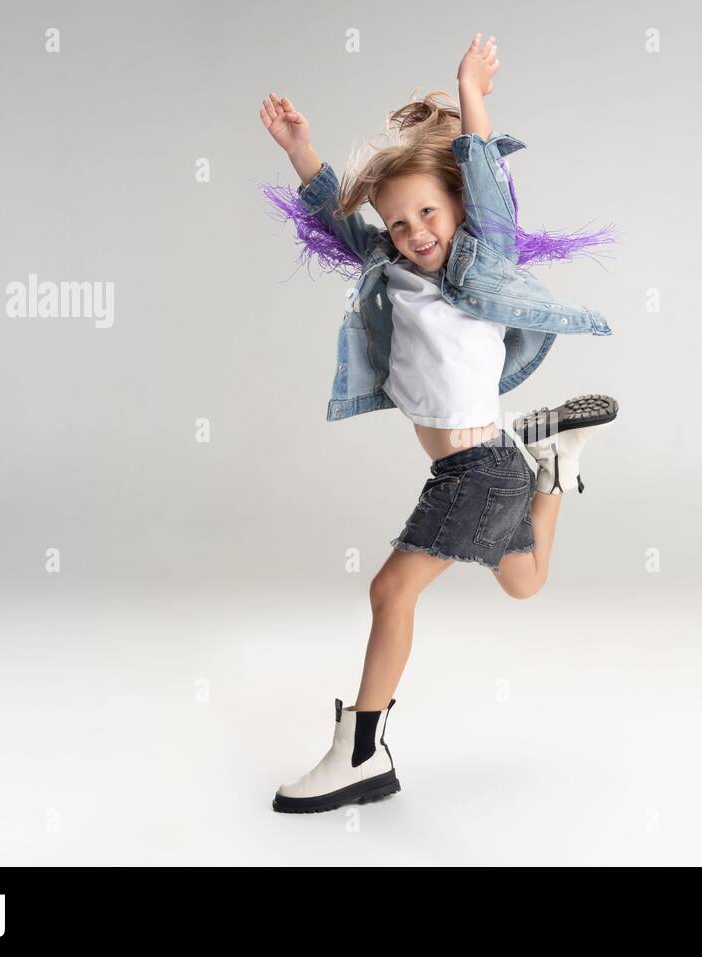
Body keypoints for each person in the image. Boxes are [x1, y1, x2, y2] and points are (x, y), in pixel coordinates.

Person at [258, 33, 620, 813]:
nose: (416, 231)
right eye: (399, 224)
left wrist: (473, 95)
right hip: (491, 462)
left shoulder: (475, 265)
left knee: (391, 589)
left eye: (428, 212)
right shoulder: (391, 271)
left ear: (455, 206)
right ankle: (552, 462)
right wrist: (303, 151)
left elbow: (488, 185)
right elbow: (334, 225)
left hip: (476, 469)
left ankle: (361, 750)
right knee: (525, 581)